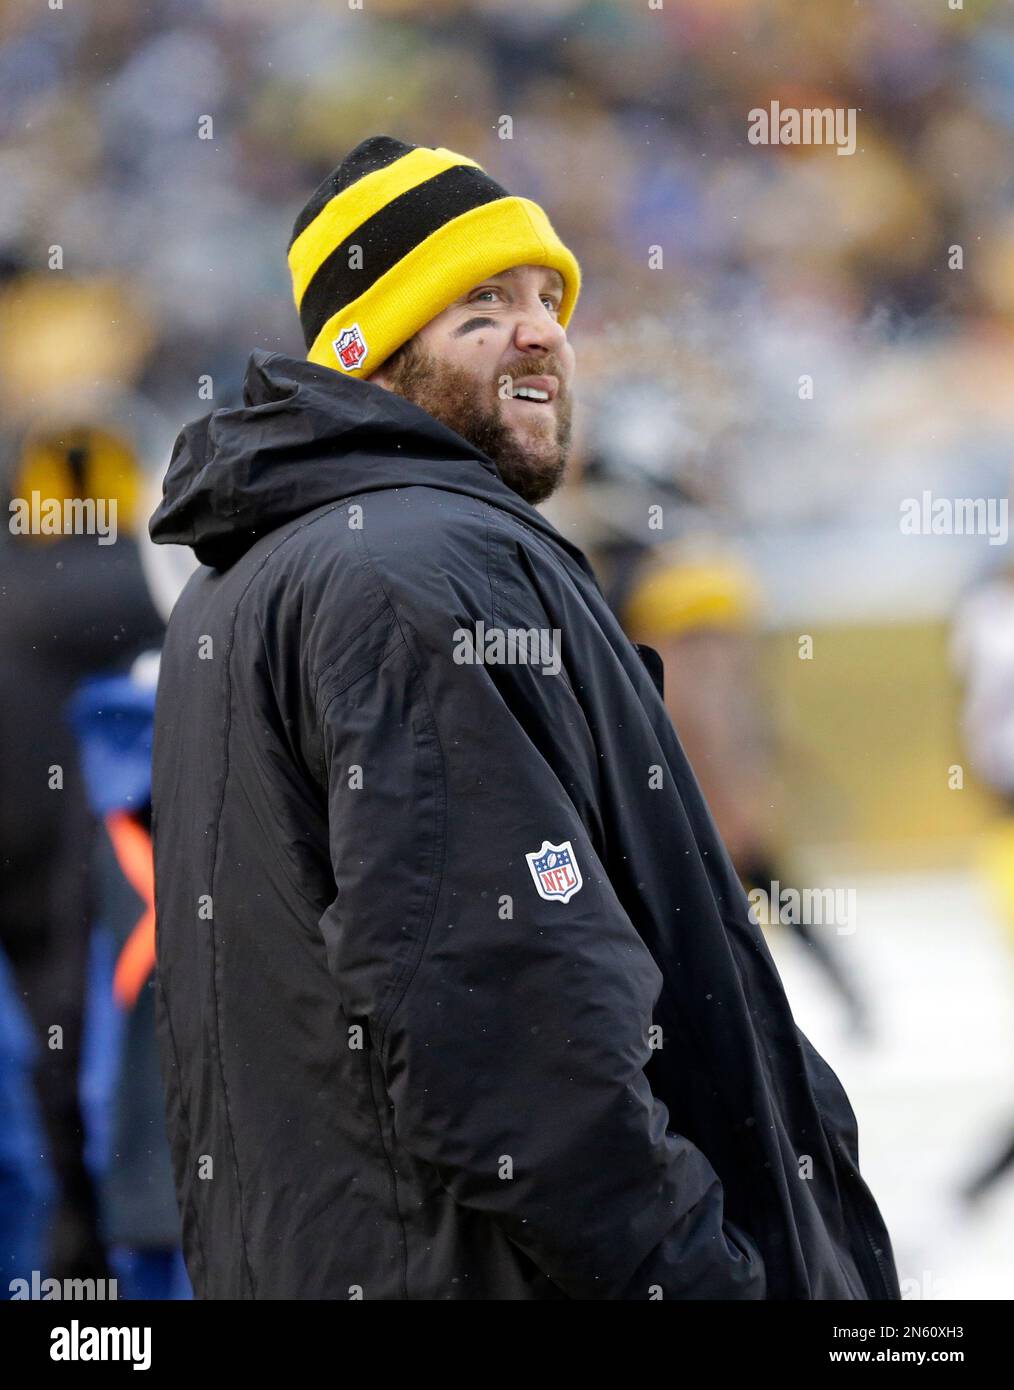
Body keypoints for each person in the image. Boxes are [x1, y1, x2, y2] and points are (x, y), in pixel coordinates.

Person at [148, 135, 900, 1300]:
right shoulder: (412, 565)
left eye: (549, 295)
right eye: (482, 304)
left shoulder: (248, 576)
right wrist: (704, 1278)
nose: (542, 327)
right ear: (370, 350)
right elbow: (509, 1020)